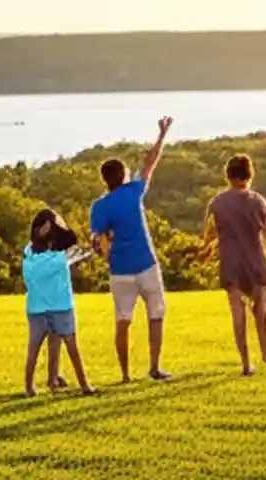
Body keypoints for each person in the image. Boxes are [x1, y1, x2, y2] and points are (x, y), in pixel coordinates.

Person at [89, 116, 174, 383]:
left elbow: (96, 240)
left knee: (123, 321)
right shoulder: (134, 191)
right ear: (123, 176)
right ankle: (154, 367)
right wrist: (161, 135)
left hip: (120, 271)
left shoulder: (99, 207)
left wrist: (102, 243)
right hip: (146, 265)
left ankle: (125, 375)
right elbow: (150, 163)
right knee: (156, 315)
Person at [201, 153, 266, 376]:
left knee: (237, 312)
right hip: (255, 261)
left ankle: (245, 363)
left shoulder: (217, 203)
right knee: (261, 309)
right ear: (250, 175)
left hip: (231, 263)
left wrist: (206, 249)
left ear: (227, 176)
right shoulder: (256, 200)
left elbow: (210, 233)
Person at [23, 208, 96, 398]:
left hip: (36, 308)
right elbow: (73, 241)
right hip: (60, 306)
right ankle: (85, 384)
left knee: (34, 349)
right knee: (72, 347)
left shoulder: (28, 254)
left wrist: (48, 226)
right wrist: (58, 222)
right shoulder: (58, 259)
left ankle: (31, 387)